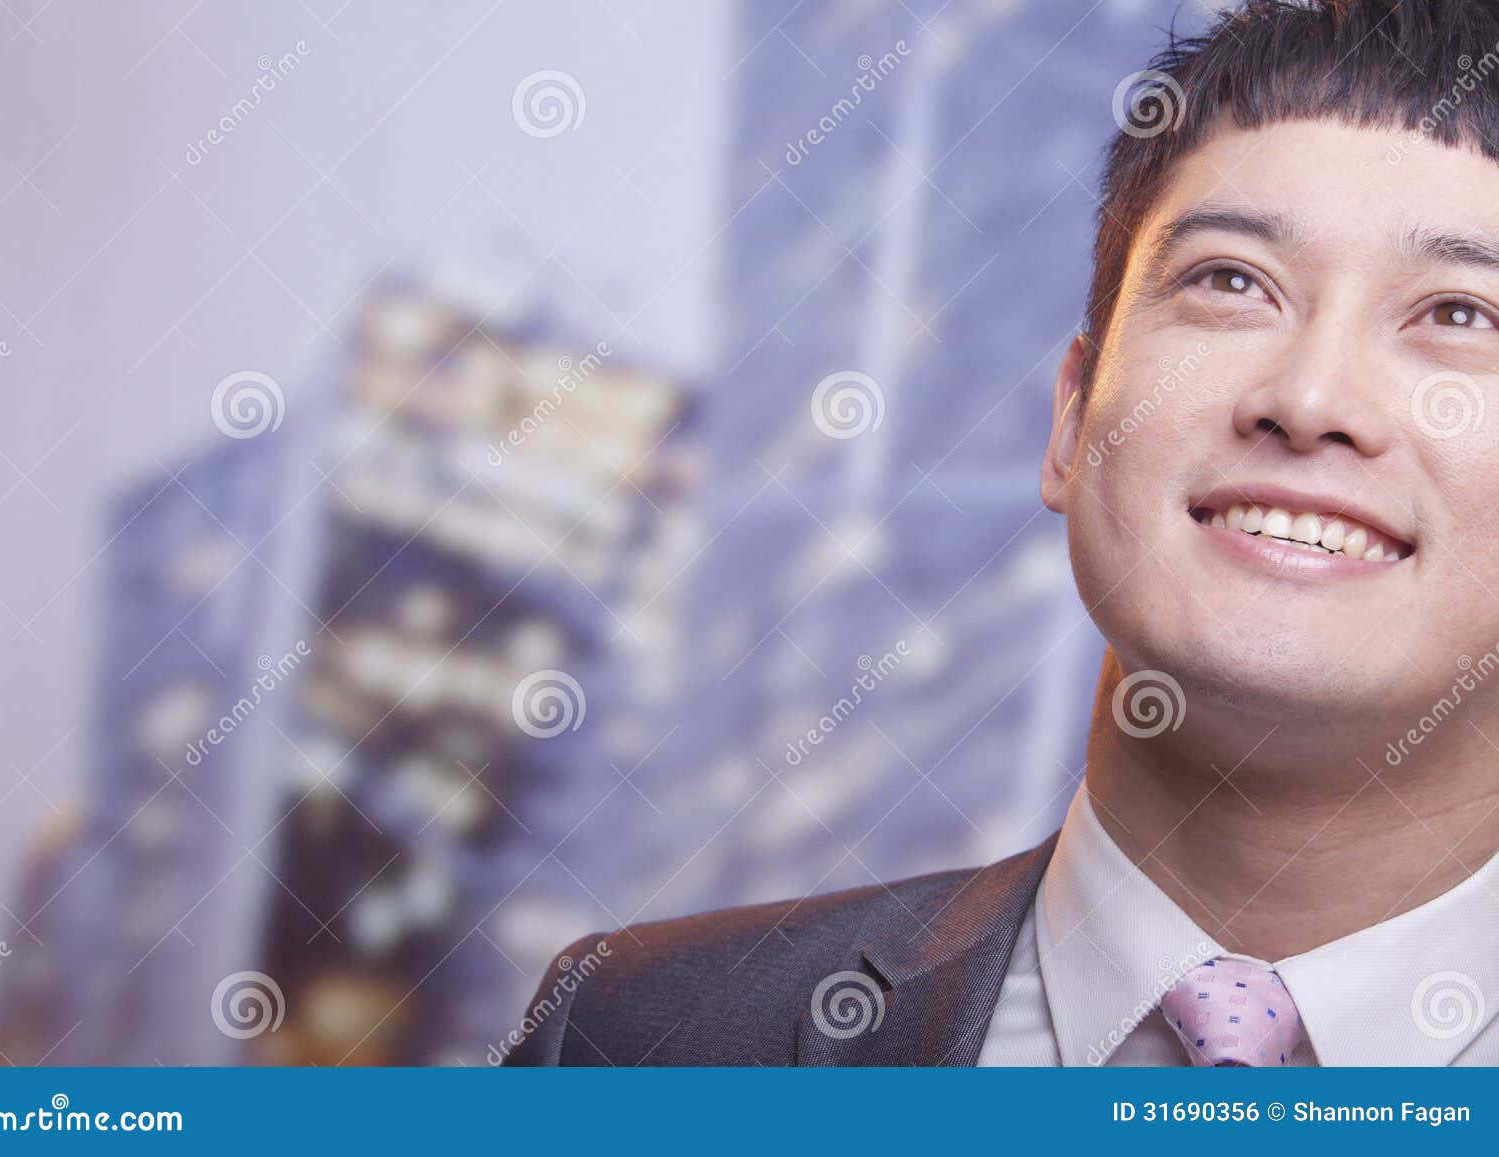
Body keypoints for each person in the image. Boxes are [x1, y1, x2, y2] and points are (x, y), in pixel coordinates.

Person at [506, 0, 1499, 1066]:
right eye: (1228, 281)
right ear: (1071, 418)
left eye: (1458, 314)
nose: (1306, 398)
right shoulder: (640, 1038)